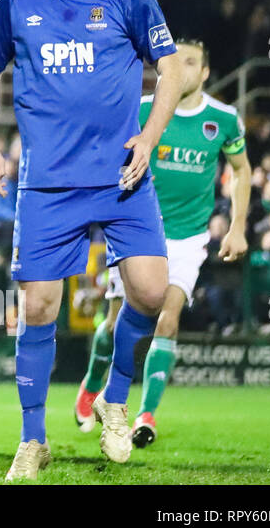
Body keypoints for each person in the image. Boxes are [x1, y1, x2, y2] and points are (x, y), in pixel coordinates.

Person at [0, 0, 183, 480]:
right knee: (38, 307)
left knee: (149, 293)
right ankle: (32, 438)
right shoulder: (15, 2)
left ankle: (115, 397)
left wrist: (149, 136)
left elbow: (168, 69)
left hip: (122, 175)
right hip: (48, 182)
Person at [75, 39, 251, 446]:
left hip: (189, 236)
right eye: (175, 61)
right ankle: (92, 382)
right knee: (119, 324)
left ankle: (145, 415)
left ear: (205, 72)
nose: (183, 69)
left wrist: (238, 224)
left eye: (192, 63)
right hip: (137, 231)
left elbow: (242, 169)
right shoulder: (140, 108)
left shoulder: (223, 119)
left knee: (168, 317)